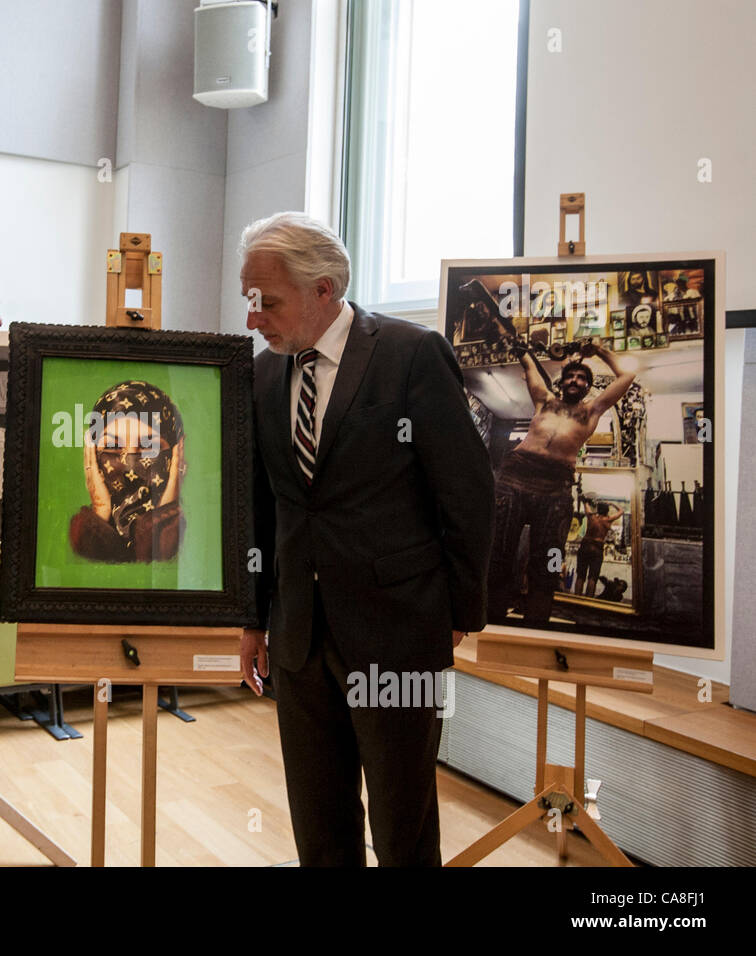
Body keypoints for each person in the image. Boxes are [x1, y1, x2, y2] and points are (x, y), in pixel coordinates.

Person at [237, 212, 494, 866]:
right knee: (319, 826)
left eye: (267, 301)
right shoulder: (264, 375)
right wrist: (252, 617)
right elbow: (262, 505)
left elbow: (465, 492)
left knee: (402, 823)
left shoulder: (410, 355)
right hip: (298, 635)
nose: (252, 319)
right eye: (249, 300)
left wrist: (457, 615)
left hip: (398, 633)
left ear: (323, 289)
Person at [487, 340, 635, 624]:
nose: (575, 380)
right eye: (570, 376)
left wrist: (599, 350)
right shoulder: (544, 401)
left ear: (588, 387)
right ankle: (490, 619)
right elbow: (528, 367)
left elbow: (627, 376)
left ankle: (537, 623)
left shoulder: (592, 411)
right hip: (515, 477)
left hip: (554, 487)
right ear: (562, 382)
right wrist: (523, 352)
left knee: (548, 560)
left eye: (581, 378)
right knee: (498, 553)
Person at [69, 380, 185, 562]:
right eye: (113, 446)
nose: (130, 465)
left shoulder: (196, 538)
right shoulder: (77, 544)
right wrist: (99, 517)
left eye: (149, 445)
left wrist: (166, 518)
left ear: (176, 454)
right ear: (92, 456)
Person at [573, 497, 623, 597]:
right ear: (607, 511)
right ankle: (588, 602)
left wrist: (586, 500)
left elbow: (585, 503)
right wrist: (611, 503)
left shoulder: (591, 517)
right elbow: (621, 511)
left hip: (585, 546)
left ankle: (576, 600)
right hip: (597, 549)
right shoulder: (608, 520)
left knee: (580, 576)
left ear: (598, 510)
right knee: (593, 577)